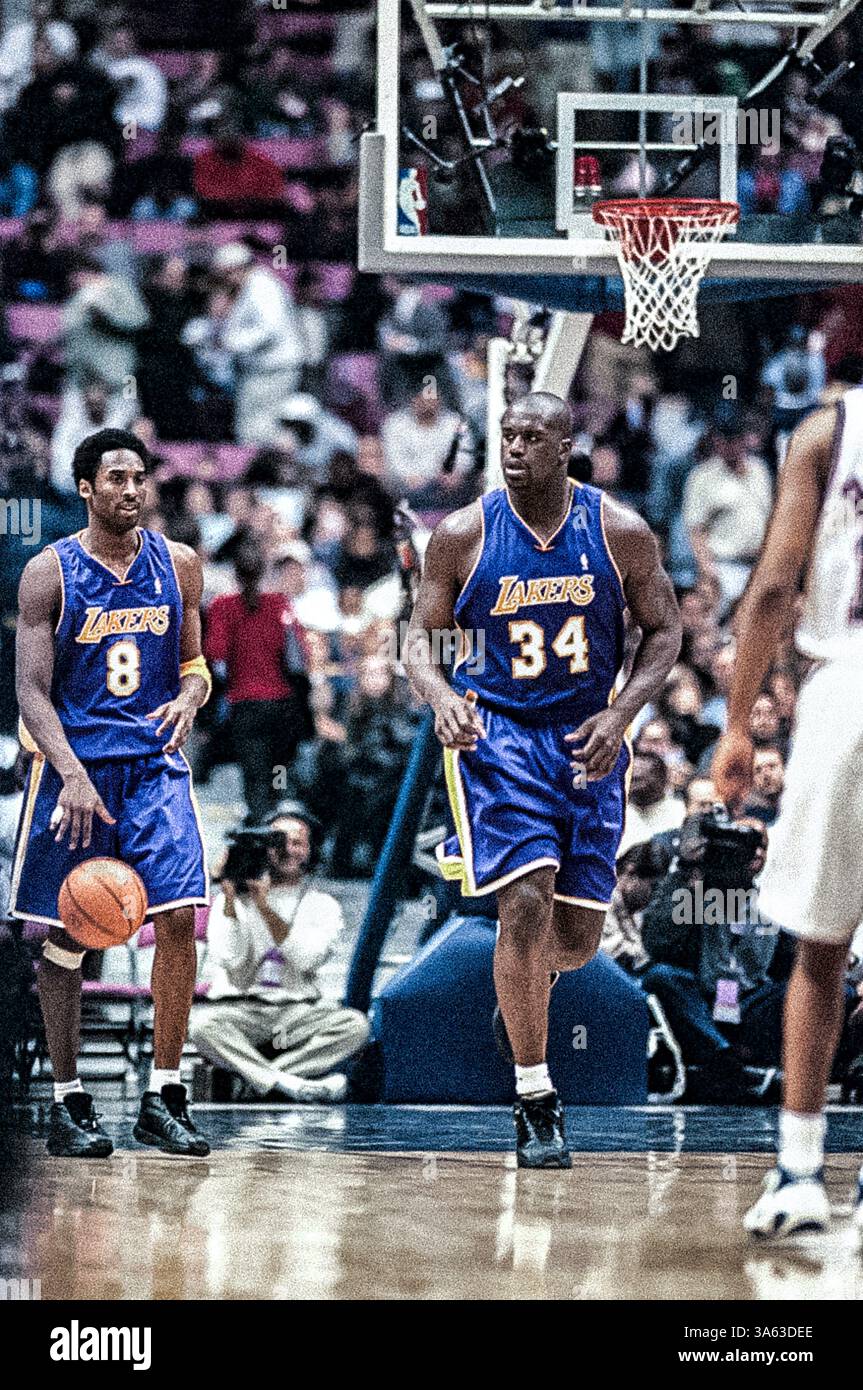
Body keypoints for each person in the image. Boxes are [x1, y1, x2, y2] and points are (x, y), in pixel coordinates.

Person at [404, 392, 681, 1167]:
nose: (515, 446)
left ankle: (523, 990)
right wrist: (441, 697)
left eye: (532, 435)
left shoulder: (619, 531)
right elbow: (418, 645)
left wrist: (622, 712)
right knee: (522, 904)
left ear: (566, 446)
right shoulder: (460, 535)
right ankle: (535, 1097)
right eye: (507, 434)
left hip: (588, 738)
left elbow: (666, 630)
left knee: (576, 942)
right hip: (499, 737)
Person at [11, 428, 212, 1159]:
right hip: (75, 773)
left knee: (180, 917)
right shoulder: (49, 573)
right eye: (116, 479)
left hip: (154, 770)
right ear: (87, 489)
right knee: (67, 937)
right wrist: (68, 772)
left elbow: (195, 664)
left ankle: (164, 1093)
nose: (131, 490)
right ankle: (69, 1100)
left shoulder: (180, 565)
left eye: (140, 478)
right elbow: (30, 694)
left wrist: (191, 697)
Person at [712, 390, 863, 1237]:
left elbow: (772, 587)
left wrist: (736, 723)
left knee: (820, 946)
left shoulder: (826, 430)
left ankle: (799, 1169)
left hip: (845, 689)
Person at [190, 804, 369, 1101]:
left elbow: (306, 959)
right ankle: (293, 1084)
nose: (287, 850)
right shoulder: (233, 898)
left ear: (310, 851)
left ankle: (264, 1081)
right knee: (202, 1027)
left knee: (355, 1026)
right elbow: (230, 961)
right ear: (263, 847)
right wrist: (231, 899)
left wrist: (264, 906)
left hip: (297, 1012)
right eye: (278, 841)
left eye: (297, 842)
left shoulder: (322, 905)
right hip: (240, 1009)